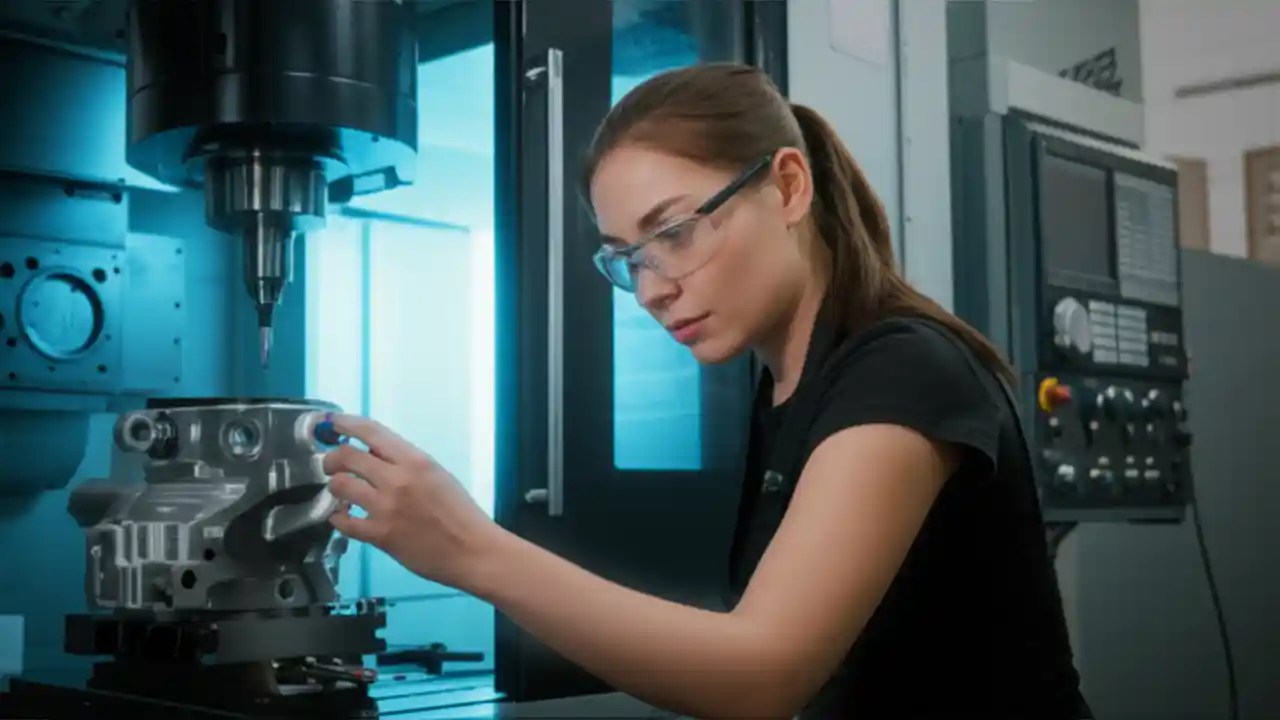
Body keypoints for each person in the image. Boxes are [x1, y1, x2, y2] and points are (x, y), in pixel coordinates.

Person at [321, 63, 1092, 719]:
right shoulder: (789, 389)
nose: (652, 289)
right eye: (628, 260)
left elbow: (763, 672)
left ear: (788, 186)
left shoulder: (904, 371)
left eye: (675, 233)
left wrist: (469, 550)